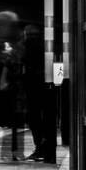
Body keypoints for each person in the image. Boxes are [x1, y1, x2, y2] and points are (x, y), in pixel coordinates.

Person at [21, 24, 55, 162]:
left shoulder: (27, 48)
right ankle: (45, 148)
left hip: (34, 87)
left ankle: (41, 148)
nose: (30, 38)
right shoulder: (45, 47)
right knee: (43, 118)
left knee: (35, 118)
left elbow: (23, 66)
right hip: (45, 87)